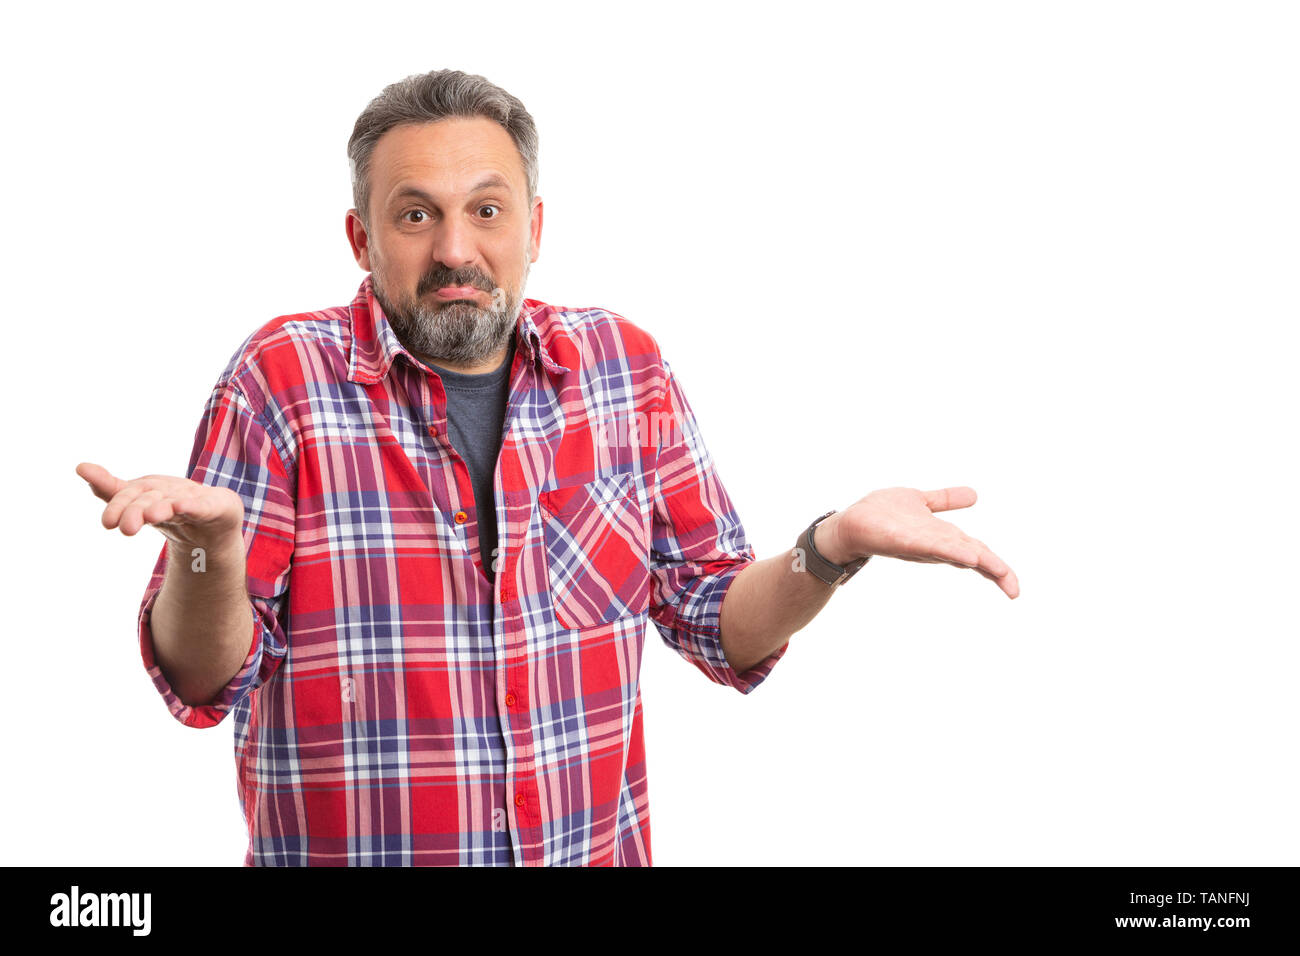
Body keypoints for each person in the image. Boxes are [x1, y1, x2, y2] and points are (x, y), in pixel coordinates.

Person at [77, 68, 1019, 867]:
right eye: (416, 215)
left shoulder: (623, 370)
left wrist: (832, 545)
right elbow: (204, 680)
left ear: (533, 225)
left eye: (485, 211)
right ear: (362, 240)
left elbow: (715, 622)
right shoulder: (281, 381)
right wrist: (210, 553)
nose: (456, 249)